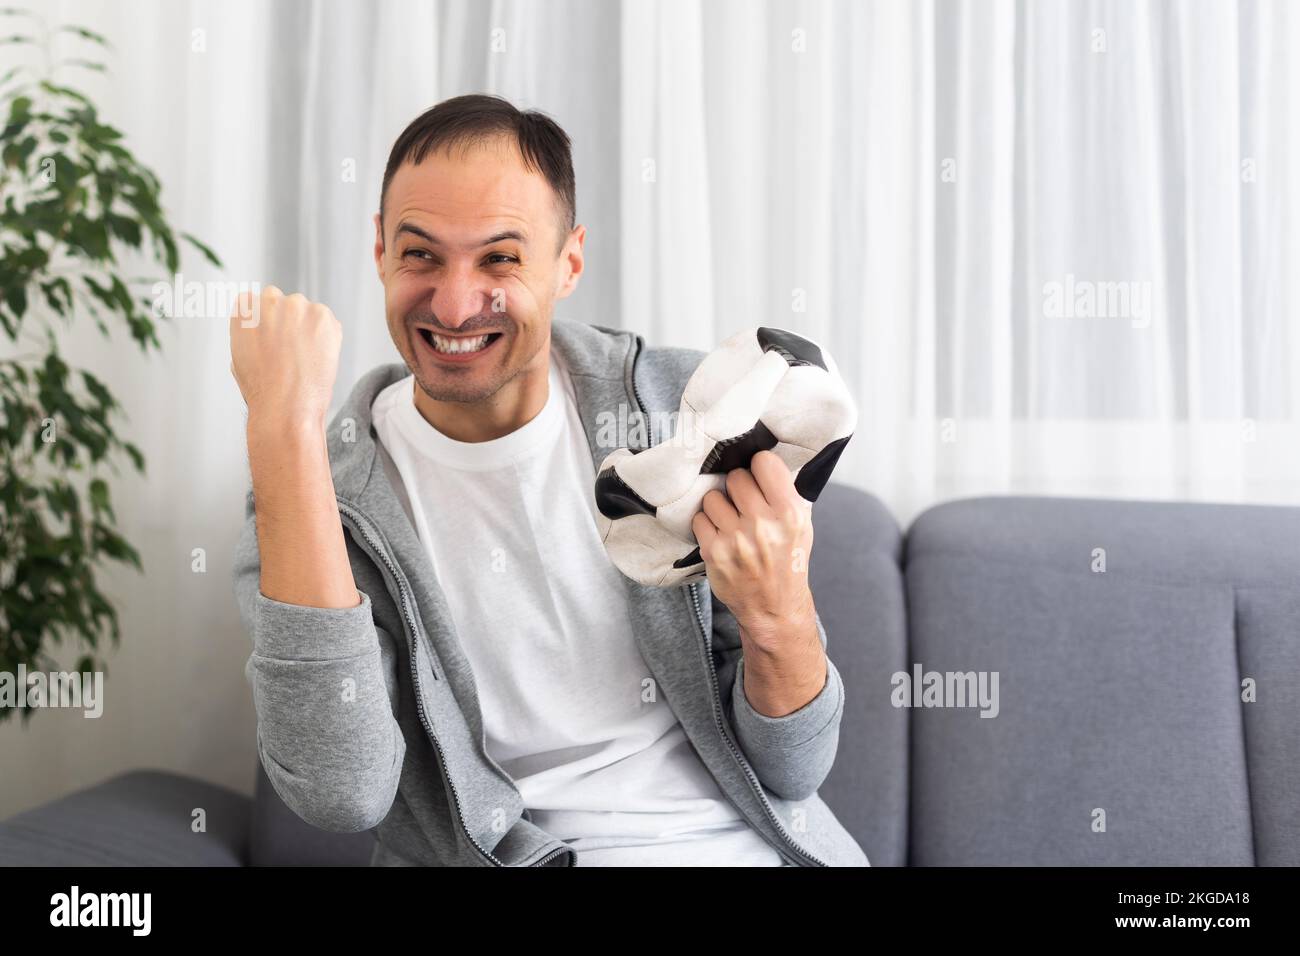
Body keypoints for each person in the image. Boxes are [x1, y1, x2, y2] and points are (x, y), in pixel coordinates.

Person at [229, 93, 868, 867]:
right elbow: (344, 791)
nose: (456, 302)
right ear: (379, 250)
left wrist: (780, 616)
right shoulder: (318, 496)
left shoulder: (686, 413)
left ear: (569, 262)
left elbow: (795, 769)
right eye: (421, 253)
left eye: (500, 256)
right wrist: (284, 426)